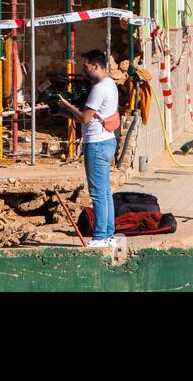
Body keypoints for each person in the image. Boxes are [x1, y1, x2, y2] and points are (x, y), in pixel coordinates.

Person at [55, 49, 120, 248]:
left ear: (95, 65)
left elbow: (85, 118)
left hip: (97, 144)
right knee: (105, 192)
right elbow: (91, 118)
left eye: (86, 66)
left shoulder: (99, 88)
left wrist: (66, 105)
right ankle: (108, 235)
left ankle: (100, 237)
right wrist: (63, 113)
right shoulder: (111, 85)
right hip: (108, 141)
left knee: (98, 193)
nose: (84, 70)